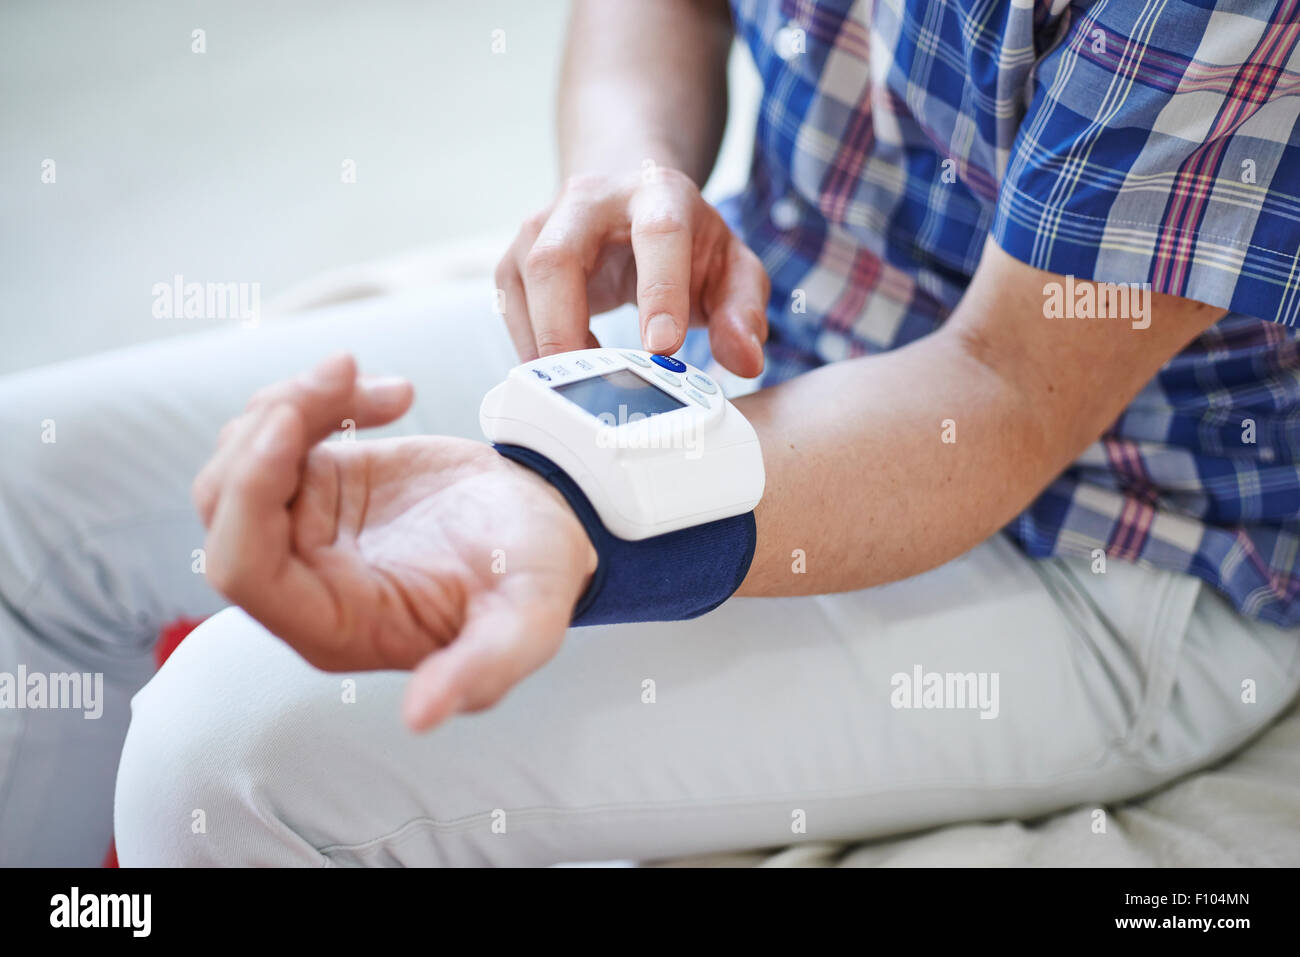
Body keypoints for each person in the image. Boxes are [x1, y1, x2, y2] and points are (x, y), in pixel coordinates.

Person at [4, 0, 1297, 866]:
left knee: (222, 755)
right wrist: (626, 164)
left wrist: (585, 519)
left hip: (1113, 539)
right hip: (781, 317)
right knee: (24, 488)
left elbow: (1002, 391)